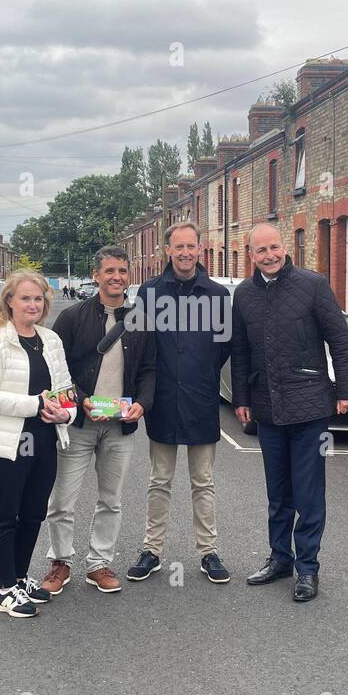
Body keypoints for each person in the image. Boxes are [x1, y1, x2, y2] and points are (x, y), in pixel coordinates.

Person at [231, 223, 348, 602]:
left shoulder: (313, 285)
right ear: (250, 254)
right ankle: (280, 558)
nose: (269, 256)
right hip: (267, 409)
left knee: (309, 493)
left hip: (311, 408)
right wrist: (242, 399)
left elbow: (339, 339)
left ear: (285, 247)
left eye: (274, 248)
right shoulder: (244, 295)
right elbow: (240, 352)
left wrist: (346, 389)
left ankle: (307, 568)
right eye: (260, 250)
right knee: (278, 493)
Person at [40, 247, 155, 595]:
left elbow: (150, 370)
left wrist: (143, 405)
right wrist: (80, 399)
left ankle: (99, 563)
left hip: (120, 426)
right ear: (96, 275)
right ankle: (60, 561)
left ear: (129, 276)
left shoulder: (140, 321)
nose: (116, 277)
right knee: (62, 500)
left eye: (122, 270)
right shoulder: (73, 317)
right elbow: (56, 369)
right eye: (109, 271)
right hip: (79, 423)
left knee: (111, 500)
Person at [126, 222, 233, 585]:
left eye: (191, 246)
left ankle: (209, 552)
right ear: (167, 251)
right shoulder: (149, 293)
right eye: (178, 247)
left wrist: (198, 375)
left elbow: (223, 350)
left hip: (201, 401)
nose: (185, 252)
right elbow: (139, 347)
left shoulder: (218, 296)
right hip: (163, 401)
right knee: (159, 480)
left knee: (203, 481)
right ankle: (151, 550)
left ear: (200, 249)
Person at [0, 269, 75, 618]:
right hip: (8, 441)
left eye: (38, 298)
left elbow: (65, 390)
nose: (33, 304)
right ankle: (3, 589)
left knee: (34, 511)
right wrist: (34, 404)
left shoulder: (50, 339)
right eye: (25, 298)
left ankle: (18, 577)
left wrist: (66, 414)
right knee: (6, 514)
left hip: (44, 438)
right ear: (9, 303)